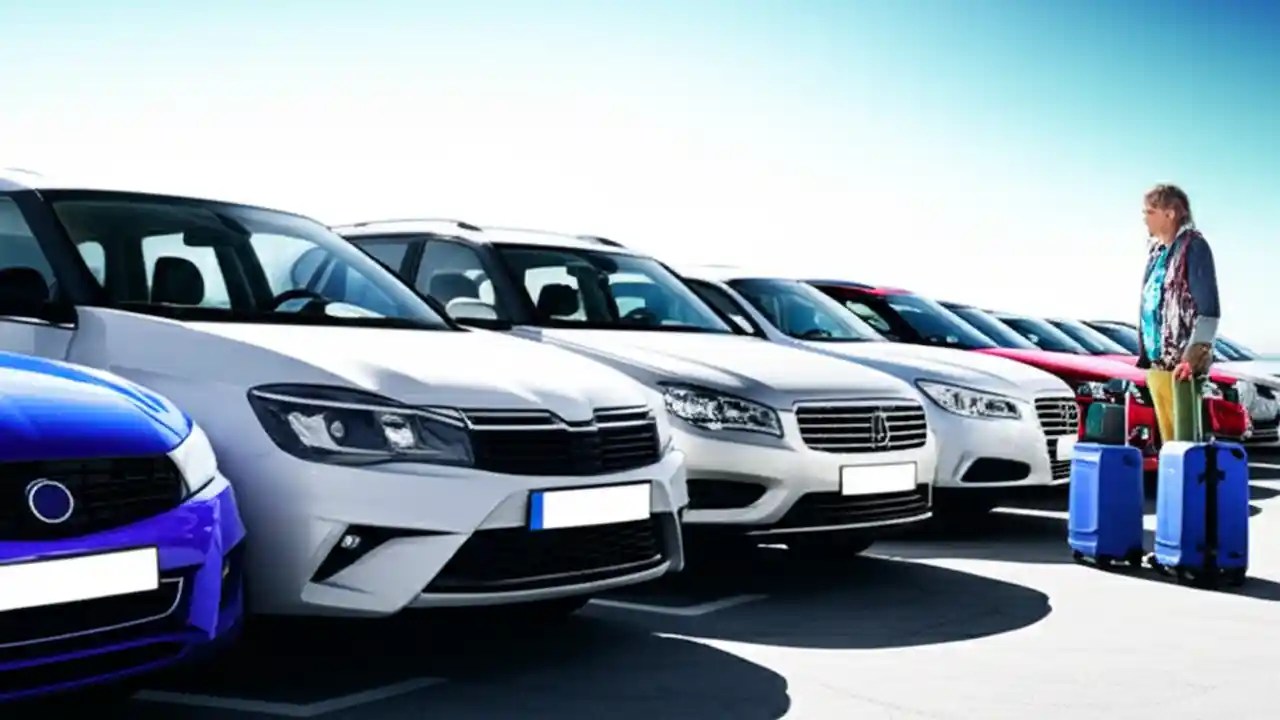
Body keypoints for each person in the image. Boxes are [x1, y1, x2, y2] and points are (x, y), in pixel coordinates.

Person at [1136, 183, 1221, 444]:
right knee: (1168, 447)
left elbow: (1209, 311)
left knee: (1185, 444)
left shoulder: (1194, 247)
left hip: (1181, 369)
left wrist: (1192, 357)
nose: (1144, 218)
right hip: (1157, 363)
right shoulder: (1157, 253)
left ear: (1170, 213)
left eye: (1150, 211)